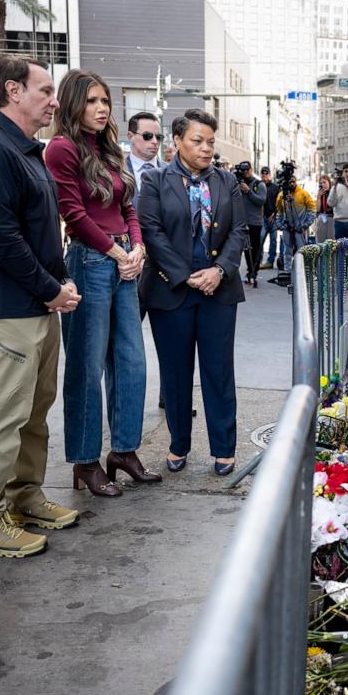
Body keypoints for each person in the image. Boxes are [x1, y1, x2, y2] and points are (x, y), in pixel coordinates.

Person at [0, 57, 81, 558]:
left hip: (36, 304)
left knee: (33, 411)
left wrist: (56, 284)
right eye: (45, 90)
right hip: (9, 307)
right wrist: (50, 289)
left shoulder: (24, 151)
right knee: (3, 414)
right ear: (13, 91)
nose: (54, 101)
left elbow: (36, 232)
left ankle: (23, 497)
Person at [45, 70, 159, 498]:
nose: (101, 108)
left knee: (131, 362)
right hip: (90, 261)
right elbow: (73, 213)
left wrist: (137, 247)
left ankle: (124, 451)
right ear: (74, 102)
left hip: (124, 260)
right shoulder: (61, 148)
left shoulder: (110, 148)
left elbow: (128, 206)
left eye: (105, 101)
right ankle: (85, 460)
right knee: (87, 367)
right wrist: (117, 252)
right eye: (92, 100)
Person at [139, 108, 246, 477]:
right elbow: (151, 232)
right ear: (177, 141)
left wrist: (219, 270)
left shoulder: (227, 181)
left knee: (219, 371)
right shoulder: (155, 180)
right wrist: (185, 276)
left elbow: (239, 231)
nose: (206, 148)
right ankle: (178, 443)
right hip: (171, 292)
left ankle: (224, 449)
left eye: (210, 142)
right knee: (175, 374)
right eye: (197, 141)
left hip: (219, 291)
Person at [274, 173, 316, 272]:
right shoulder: (281, 195)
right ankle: (287, 270)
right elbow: (279, 211)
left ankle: (302, 270)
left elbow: (312, 210)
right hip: (287, 227)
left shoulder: (303, 193)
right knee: (287, 250)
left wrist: (306, 224)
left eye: (293, 182)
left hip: (300, 228)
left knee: (301, 250)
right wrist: (280, 225)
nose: (292, 184)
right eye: (289, 182)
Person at [237, 161, 267, 287]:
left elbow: (261, 201)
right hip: (242, 221)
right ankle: (250, 271)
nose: (245, 173)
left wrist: (248, 191)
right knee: (245, 249)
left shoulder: (259, 184)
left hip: (255, 222)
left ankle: (254, 272)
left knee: (255, 249)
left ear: (251, 169)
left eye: (247, 170)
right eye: (243, 171)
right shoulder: (239, 183)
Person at [125, 111, 163, 208]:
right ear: (130, 136)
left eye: (159, 137)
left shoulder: (171, 172)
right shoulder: (117, 171)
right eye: (147, 136)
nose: (155, 141)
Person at [258, 166, 279, 269]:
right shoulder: (258, 186)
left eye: (266, 175)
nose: (264, 177)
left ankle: (270, 261)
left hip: (273, 218)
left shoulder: (275, 187)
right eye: (263, 175)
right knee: (260, 239)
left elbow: (279, 203)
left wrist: (275, 214)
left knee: (273, 241)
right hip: (262, 217)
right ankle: (258, 261)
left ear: (270, 175)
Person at [315, 174, 335, 242]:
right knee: (320, 240)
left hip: (332, 218)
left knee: (331, 240)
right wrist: (318, 197)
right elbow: (318, 210)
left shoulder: (333, 192)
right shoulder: (320, 194)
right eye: (321, 183)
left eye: (324, 182)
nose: (323, 185)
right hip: (322, 217)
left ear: (329, 183)